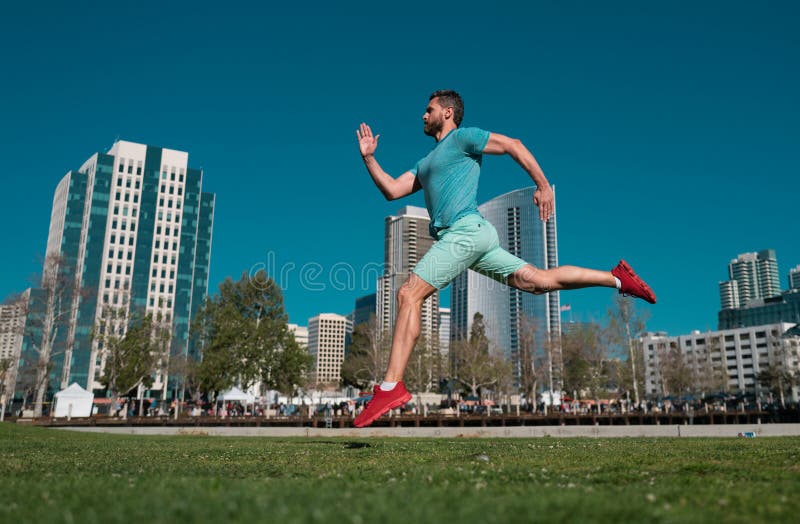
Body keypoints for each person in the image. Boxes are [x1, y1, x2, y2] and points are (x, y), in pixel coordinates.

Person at [353, 90, 656, 428]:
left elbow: (513, 144)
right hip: (474, 238)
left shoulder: (463, 138)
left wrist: (542, 185)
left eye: (429, 110)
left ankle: (391, 386)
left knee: (408, 294)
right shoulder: (425, 164)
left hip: (464, 232)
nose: (423, 116)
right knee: (537, 281)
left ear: (448, 112)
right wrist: (369, 159)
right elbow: (392, 190)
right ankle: (617, 278)